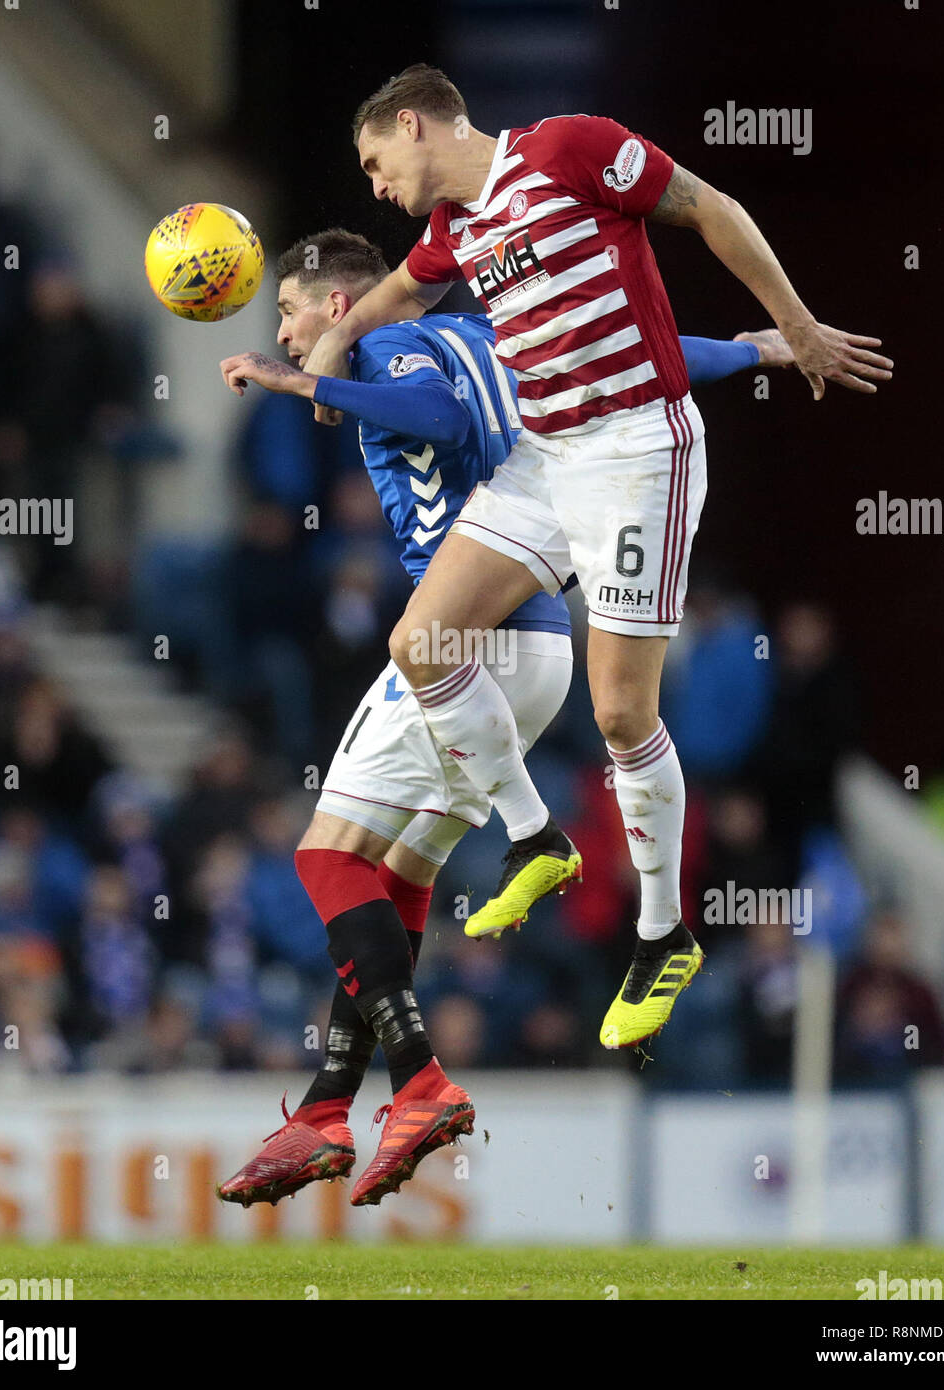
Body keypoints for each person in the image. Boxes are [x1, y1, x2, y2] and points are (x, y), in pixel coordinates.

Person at [299, 64, 891, 1055]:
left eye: (374, 161)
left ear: (414, 125)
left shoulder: (568, 147)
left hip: (636, 457)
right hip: (545, 458)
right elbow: (393, 293)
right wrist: (326, 348)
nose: (373, 185)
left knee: (620, 711)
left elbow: (712, 208)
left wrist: (789, 328)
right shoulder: (453, 232)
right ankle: (535, 836)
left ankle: (662, 935)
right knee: (422, 640)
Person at [216, 227, 790, 1207]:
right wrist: (746, 349)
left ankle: (421, 1078)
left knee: (323, 858)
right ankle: (325, 1108)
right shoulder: (491, 336)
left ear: (337, 307)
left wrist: (303, 384)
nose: (283, 330)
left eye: (289, 311)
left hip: (461, 644)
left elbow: (433, 414)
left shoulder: (386, 351)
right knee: (392, 876)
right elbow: (634, 358)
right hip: (533, 654)